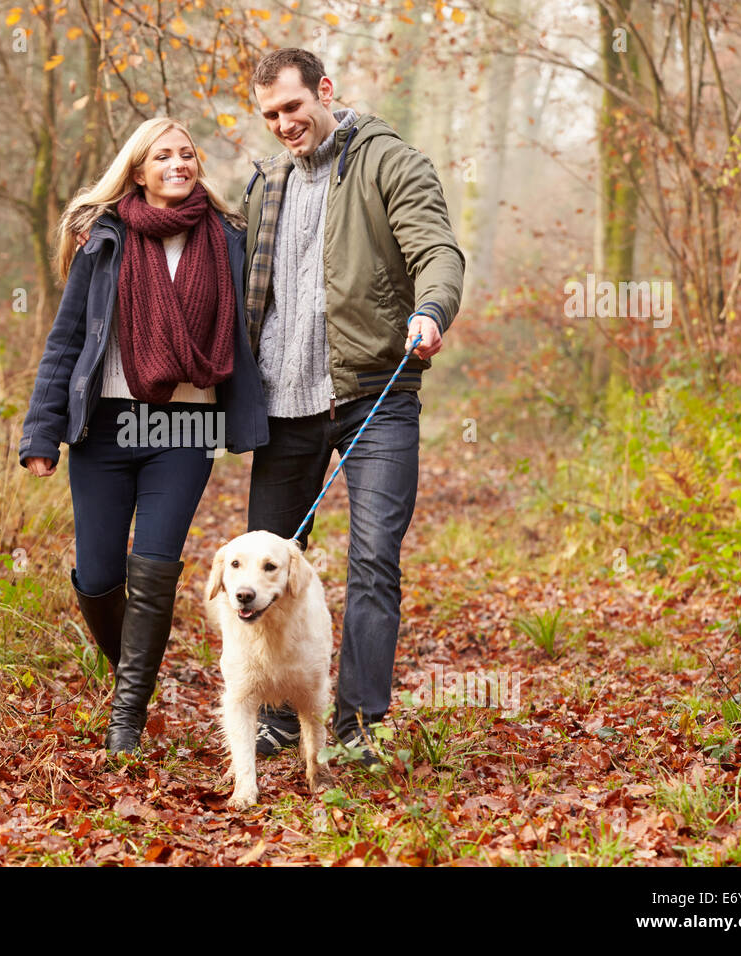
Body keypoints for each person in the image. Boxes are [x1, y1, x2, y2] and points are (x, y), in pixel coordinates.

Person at [241, 48, 465, 757]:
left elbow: (437, 250)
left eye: (292, 107)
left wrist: (431, 309)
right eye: (270, 114)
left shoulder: (390, 164)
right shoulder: (263, 185)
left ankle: (358, 726)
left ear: (324, 91)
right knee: (266, 570)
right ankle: (278, 716)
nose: (283, 124)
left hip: (376, 395)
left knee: (374, 561)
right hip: (284, 407)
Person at [19, 118, 268, 755]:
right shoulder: (105, 240)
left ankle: (126, 718)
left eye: (187, 154)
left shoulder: (229, 239)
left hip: (185, 428)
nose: (179, 163)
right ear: (138, 171)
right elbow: (67, 340)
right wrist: (41, 432)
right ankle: (136, 669)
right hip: (105, 427)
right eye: (163, 156)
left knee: (154, 569)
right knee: (98, 574)